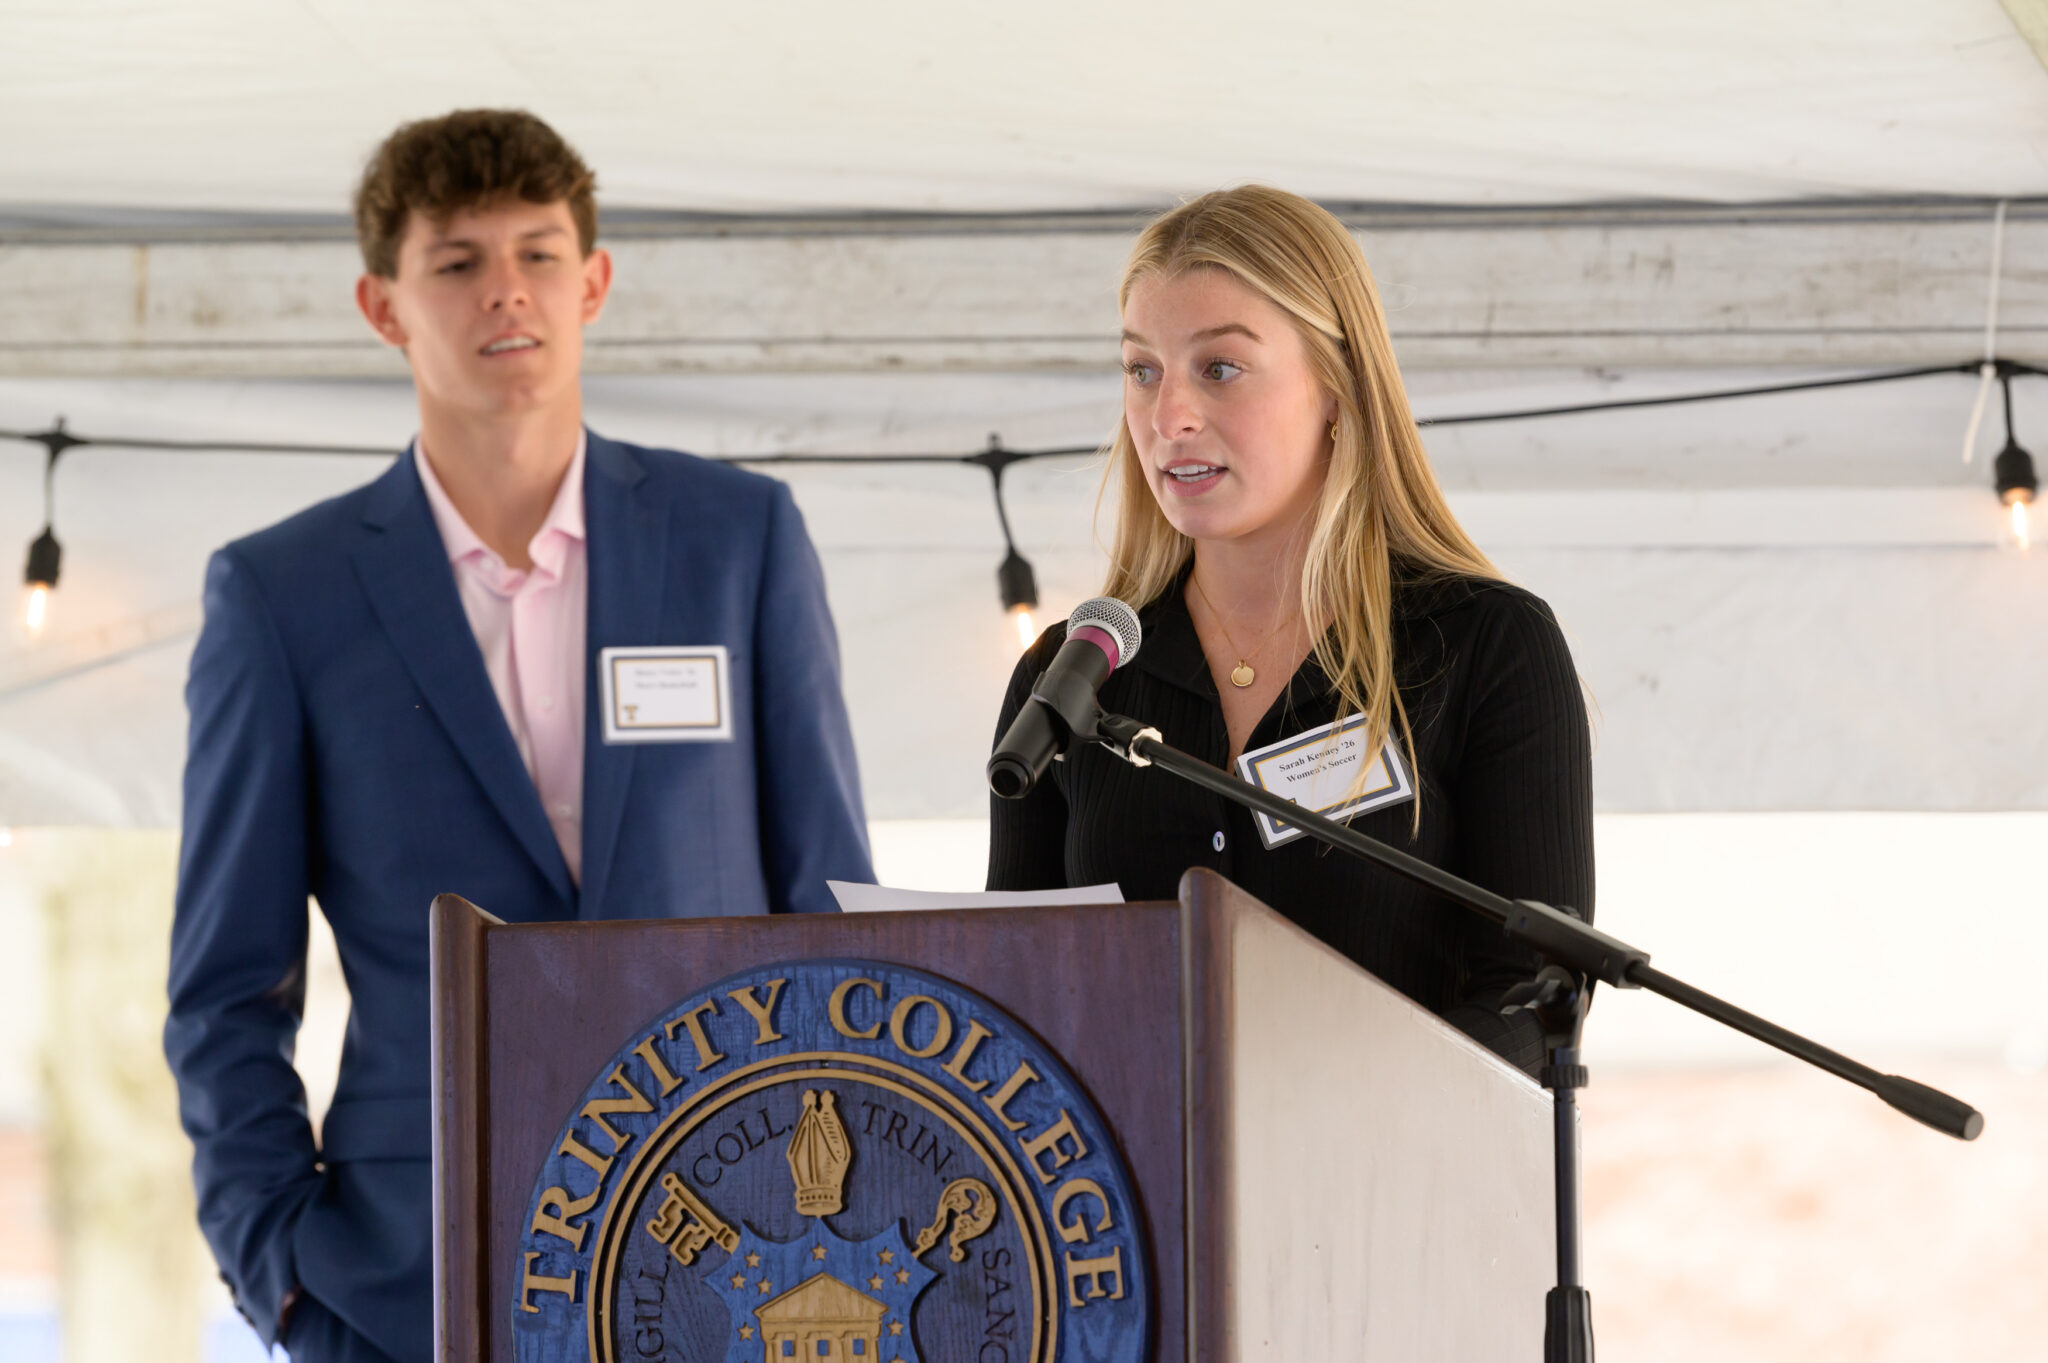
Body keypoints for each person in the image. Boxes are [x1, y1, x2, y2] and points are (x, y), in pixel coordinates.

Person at [164, 109, 873, 1363]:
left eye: (539, 254)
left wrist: (851, 1205)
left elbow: (829, 901)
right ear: (384, 305)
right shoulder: (283, 592)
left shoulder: (738, 539)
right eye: (458, 262)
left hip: (739, 1248)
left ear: (592, 282)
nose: (507, 293)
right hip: (403, 1277)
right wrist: (276, 1266)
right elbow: (227, 988)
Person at [987, 185, 1592, 1073]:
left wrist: (1319, 1109)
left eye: (1219, 369)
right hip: (1127, 1201)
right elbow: (1008, 1000)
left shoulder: (1484, 645)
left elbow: (1540, 998)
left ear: (1337, 388)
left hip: (1392, 1189)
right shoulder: (1075, 674)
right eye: (1142, 369)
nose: (1169, 417)